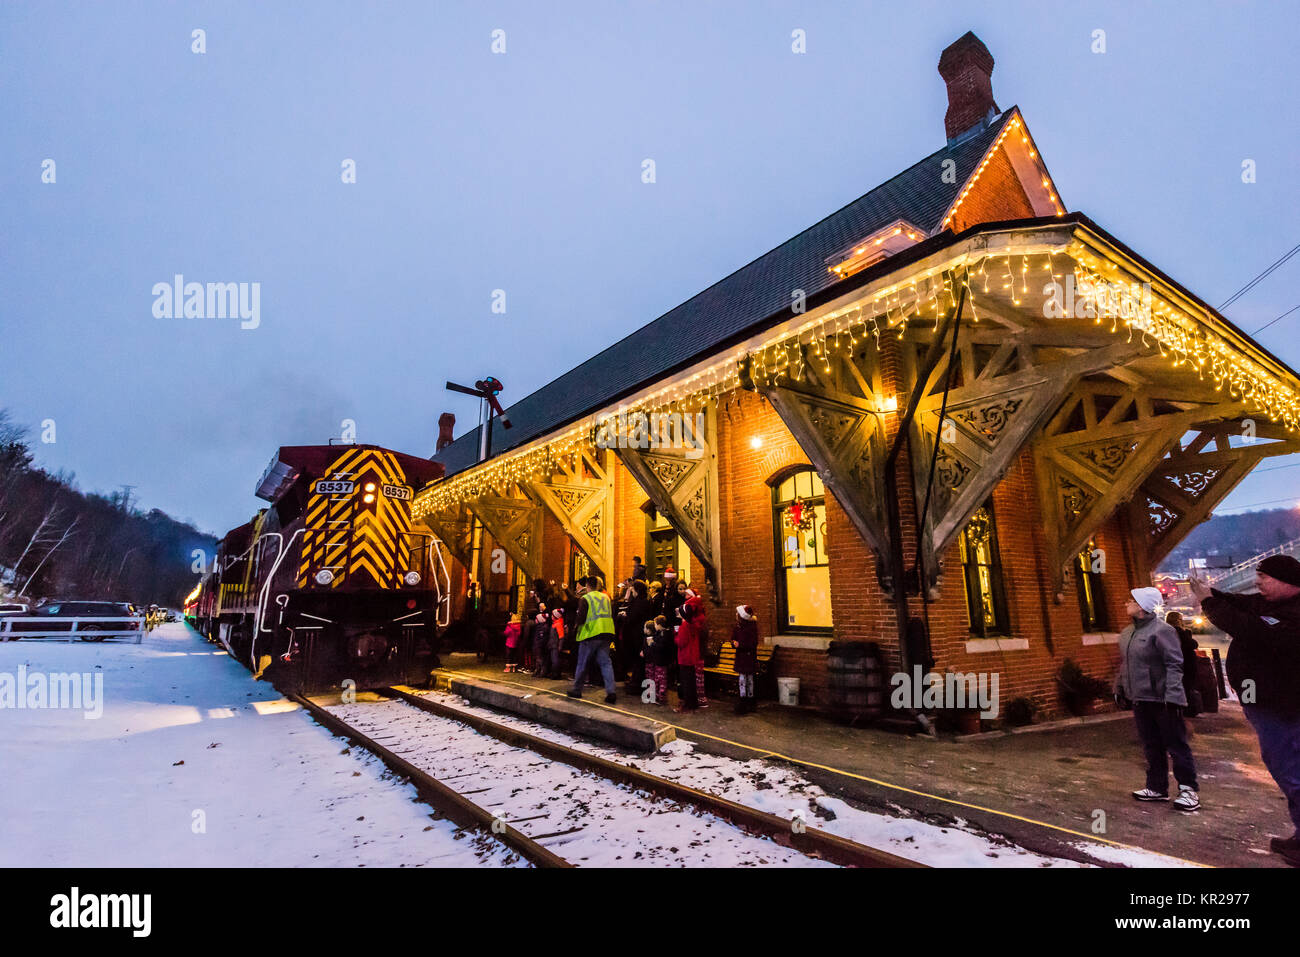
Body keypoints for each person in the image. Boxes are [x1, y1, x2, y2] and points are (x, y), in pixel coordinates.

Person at [1192, 555, 1300, 865]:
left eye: (1264, 578)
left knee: (1292, 770)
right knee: (1285, 767)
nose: (1257, 583)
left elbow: (1249, 628)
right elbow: (1245, 605)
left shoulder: (1293, 615)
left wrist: (1209, 603)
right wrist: (1214, 594)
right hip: (1267, 705)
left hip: (1283, 706)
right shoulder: (1271, 604)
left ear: (1286, 582)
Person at [1114, 586, 1199, 811]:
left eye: (1130, 600)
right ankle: (1157, 786)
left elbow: (1174, 663)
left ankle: (1188, 789)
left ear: (1142, 605)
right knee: (1151, 744)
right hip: (1140, 698)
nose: (1126, 603)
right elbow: (1126, 664)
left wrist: (1172, 695)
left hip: (1163, 700)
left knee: (1176, 744)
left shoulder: (1162, 631)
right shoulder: (1127, 633)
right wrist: (1120, 687)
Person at [567, 576, 617, 703]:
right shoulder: (606, 597)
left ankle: (577, 690)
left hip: (591, 633)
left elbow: (581, 618)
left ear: (588, 586)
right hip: (607, 632)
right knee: (606, 663)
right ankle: (611, 692)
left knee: (582, 662)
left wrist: (574, 630)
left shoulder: (586, 598)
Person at [1165, 611, 1202, 716]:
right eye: (1181, 619)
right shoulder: (1178, 631)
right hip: (1186, 663)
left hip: (1174, 663)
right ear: (1177, 621)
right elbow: (1192, 644)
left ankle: (1179, 708)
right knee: (1188, 686)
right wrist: (1184, 632)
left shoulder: (1166, 632)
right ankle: (1189, 709)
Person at [619, 579, 652, 694]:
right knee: (638, 660)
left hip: (636, 635)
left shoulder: (640, 602)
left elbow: (632, 617)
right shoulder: (644, 600)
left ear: (637, 590)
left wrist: (624, 616)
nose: (631, 591)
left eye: (633, 589)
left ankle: (637, 684)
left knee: (638, 660)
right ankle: (636, 681)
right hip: (637, 634)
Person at [674, 599, 702, 713]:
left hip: (685, 657)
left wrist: (675, 634)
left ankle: (687, 704)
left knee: (686, 682)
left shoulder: (684, 626)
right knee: (691, 681)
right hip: (691, 656)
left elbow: (681, 642)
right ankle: (693, 703)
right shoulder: (692, 624)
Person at [731, 605, 760, 715]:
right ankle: (746, 700)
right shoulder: (738, 626)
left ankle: (746, 701)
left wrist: (740, 645)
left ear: (742, 616)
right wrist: (734, 643)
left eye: (738, 613)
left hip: (747, 657)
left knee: (747, 679)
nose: (736, 614)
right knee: (744, 679)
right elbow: (733, 638)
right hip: (743, 656)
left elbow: (753, 643)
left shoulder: (751, 628)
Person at [683, 593, 709, 708]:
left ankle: (701, 698)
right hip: (697, 651)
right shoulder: (699, 619)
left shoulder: (698, 620)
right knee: (696, 676)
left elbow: (698, 635)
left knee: (698, 677)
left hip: (698, 651)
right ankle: (698, 698)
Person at [646, 614, 674, 705]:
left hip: (662, 660)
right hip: (657, 660)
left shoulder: (665, 634)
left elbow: (662, 647)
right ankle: (657, 695)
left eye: (655, 624)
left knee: (662, 679)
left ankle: (662, 697)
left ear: (659, 625)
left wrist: (652, 644)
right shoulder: (658, 633)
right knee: (657, 678)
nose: (654, 626)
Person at [528, 604, 551, 677]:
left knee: (541, 658)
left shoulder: (543, 628)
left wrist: (538, 645)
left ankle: (542, 671)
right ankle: (538, 670)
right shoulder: (539, 626)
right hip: (538, 644)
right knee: (538, 658)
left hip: (540, 645)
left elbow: (541, 638)